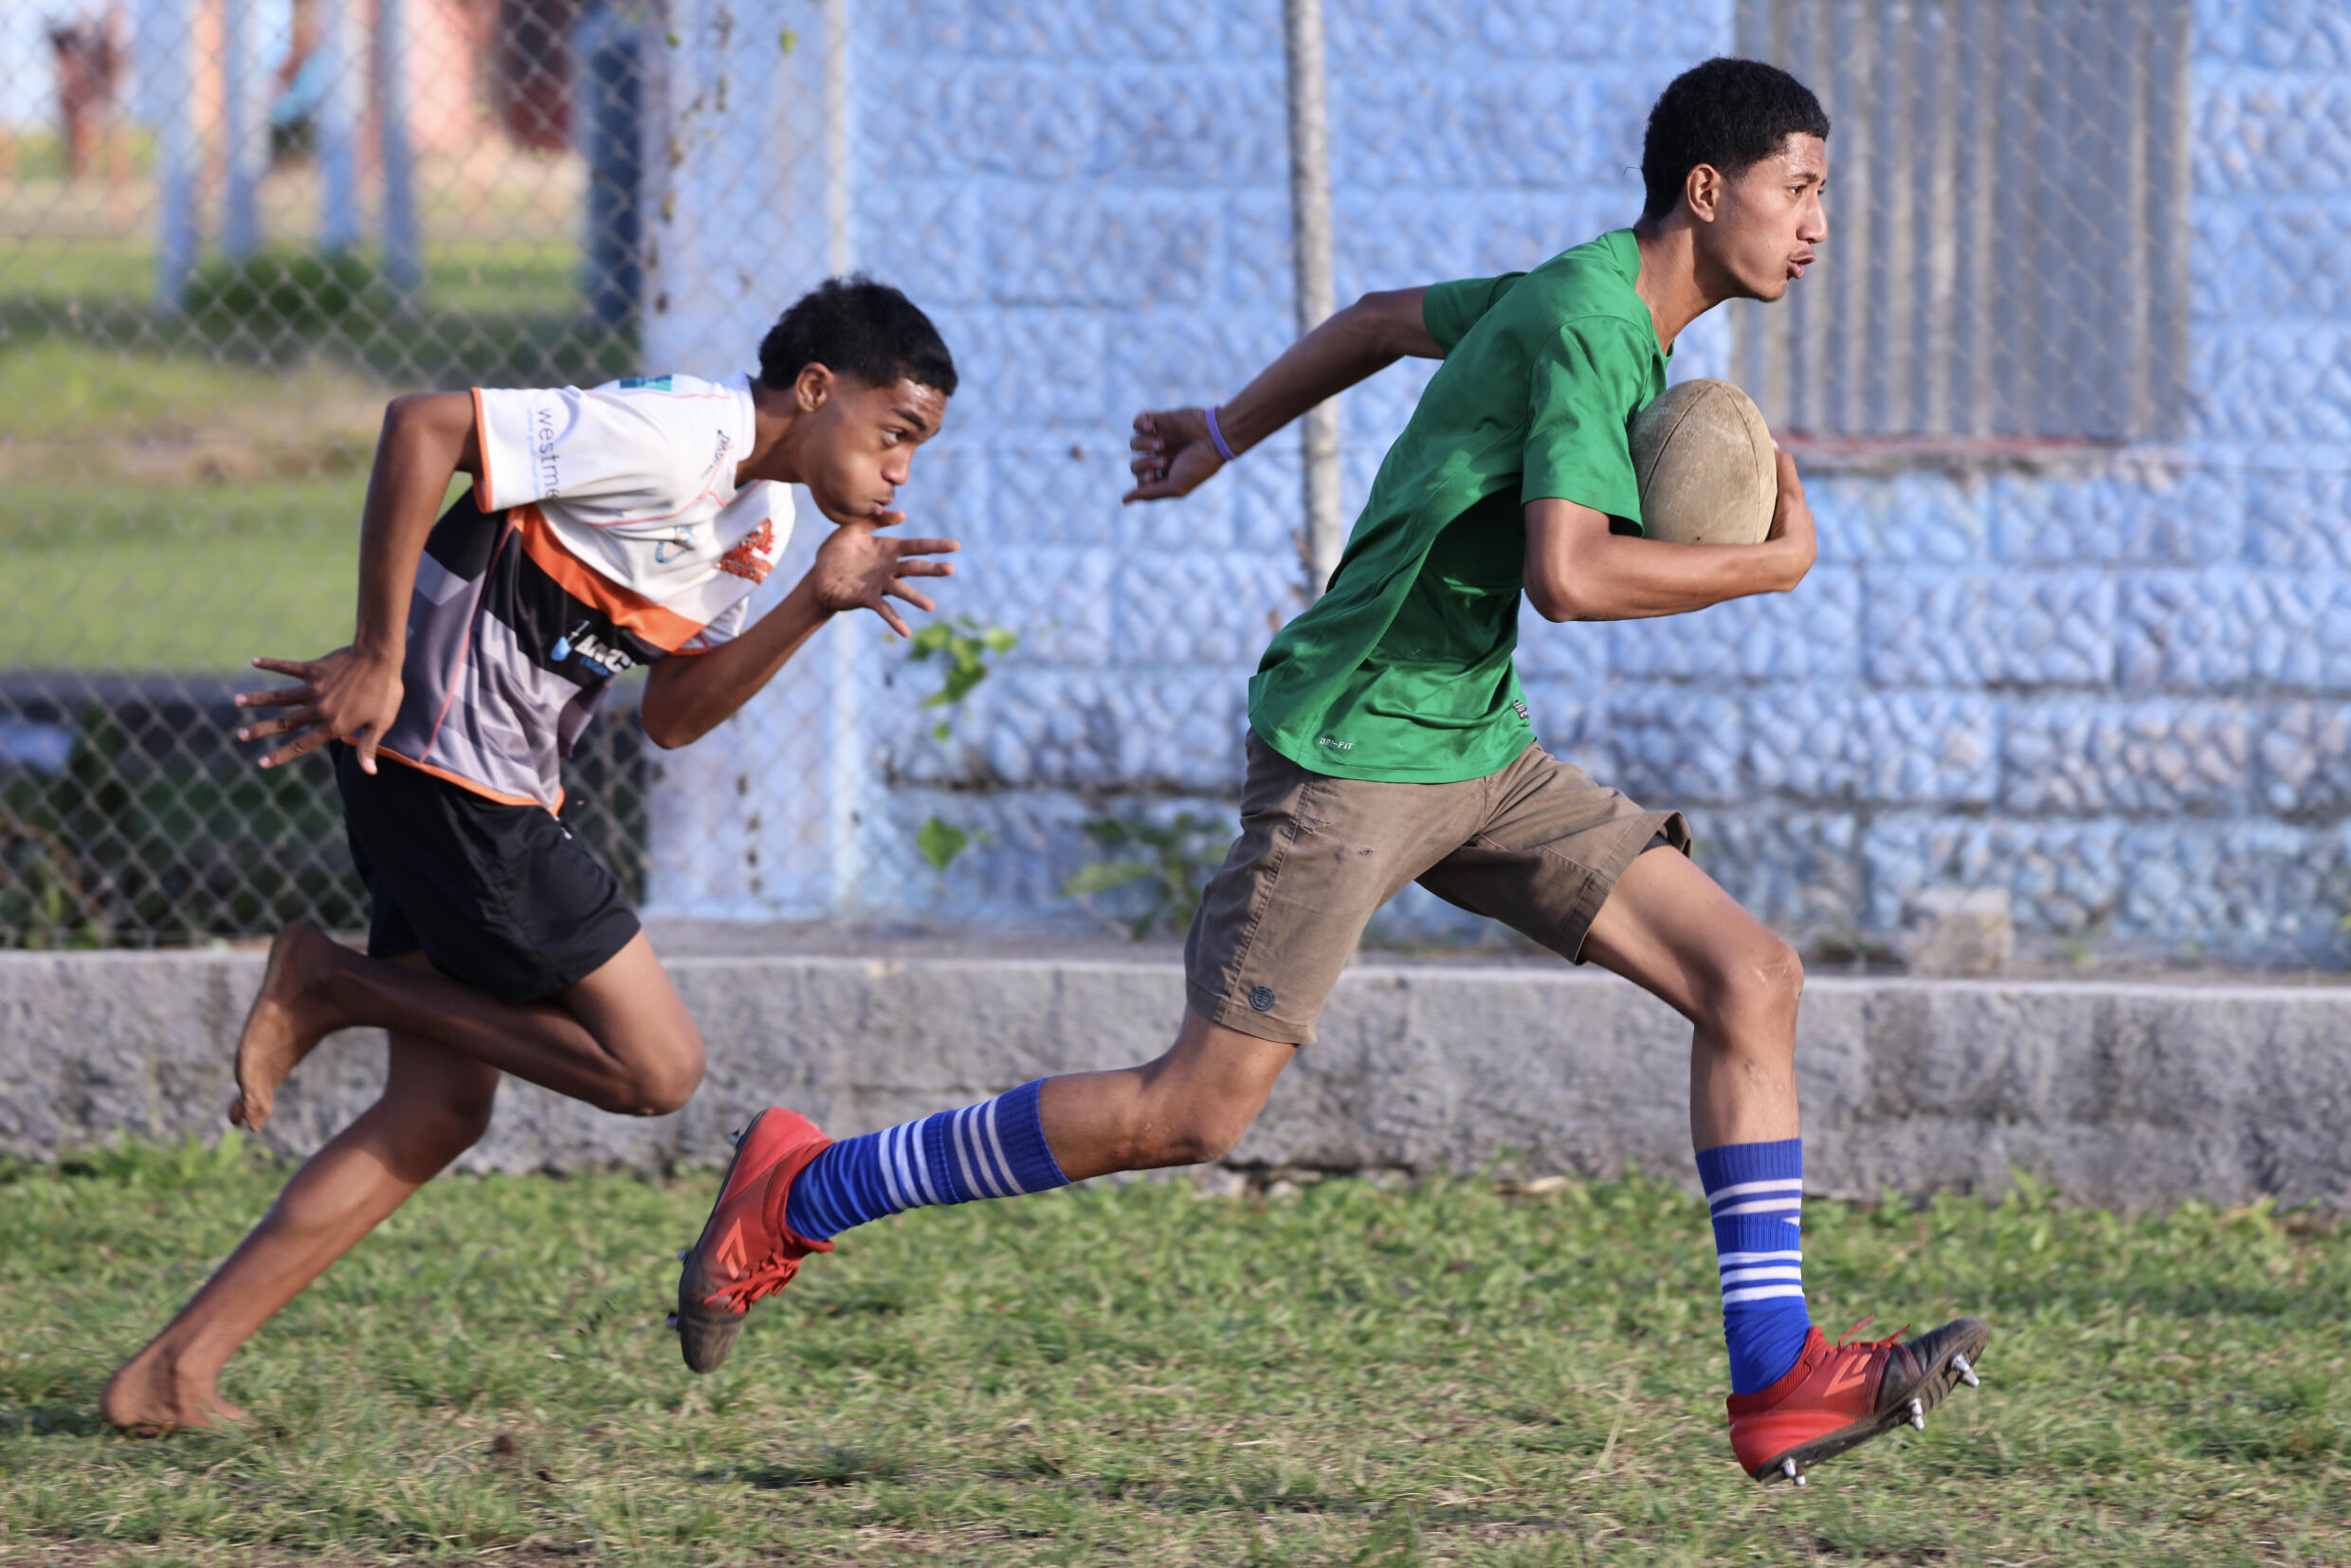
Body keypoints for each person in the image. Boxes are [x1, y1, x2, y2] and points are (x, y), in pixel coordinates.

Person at [670, 59, 1986, 1486]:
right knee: (1194, 1109)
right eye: (1803, 190)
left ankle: (1777, 1376)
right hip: (1354, 751)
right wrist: (1769, 565)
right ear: (1709, 189)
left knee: (1754, 977)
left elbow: (1374, 323)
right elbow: (1569, 573)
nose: (1818, 224)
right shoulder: (1593, 321)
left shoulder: (1586, 293)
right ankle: (804, 1189)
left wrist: (1227, 429)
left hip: (1474, 743)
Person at [100, 277, 962, 1434]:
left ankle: (170, 1374)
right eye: (893, 430)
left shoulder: (760, 526)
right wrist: (378, 649)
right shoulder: (678, 432)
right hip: (462, 785)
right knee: (658, 1068)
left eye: (918, 446)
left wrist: (813, 602)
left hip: (465, 792)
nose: (902, 467)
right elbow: (425, 425)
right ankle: (330, 982)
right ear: (815, 390)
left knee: (438, 1108)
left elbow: (672, 714)